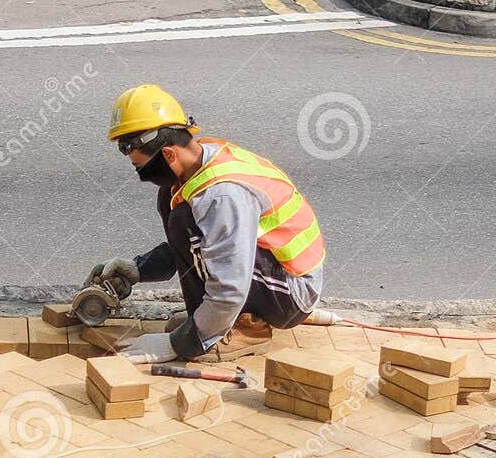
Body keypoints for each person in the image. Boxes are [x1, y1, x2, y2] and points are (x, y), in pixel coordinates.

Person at [91, 84, 326, 364]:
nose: (140, 172)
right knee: (174, 204)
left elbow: (229, 284)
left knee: (184, 220)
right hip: (269, 272)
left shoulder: (222, 196)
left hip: (291, 294)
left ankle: (243, 330)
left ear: (167, 154)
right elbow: (206, 247)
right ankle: (211, 320)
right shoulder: (201, 159)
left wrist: (180, 343)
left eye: (139, 165)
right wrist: (139, 269)